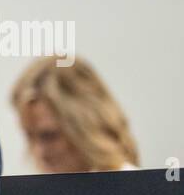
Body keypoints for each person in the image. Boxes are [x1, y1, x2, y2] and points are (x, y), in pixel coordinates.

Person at [10, 55, 139, 173]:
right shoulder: (44, 194)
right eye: (29, 137)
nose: (39, 152)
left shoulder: (137, 192)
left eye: (50, 136)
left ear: (87, 127)